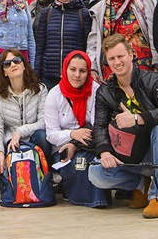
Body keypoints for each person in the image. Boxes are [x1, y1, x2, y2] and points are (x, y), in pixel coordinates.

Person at [88, 34, 158, 219]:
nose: (117, 62)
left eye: (121, 56)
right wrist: (105, 152)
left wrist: (138, 118)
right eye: (112, 58)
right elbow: (99, 126)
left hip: (157, 151)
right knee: (95, 173)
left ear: (132, 54)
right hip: (128, 155)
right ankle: (141, 185)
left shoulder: (153, 80)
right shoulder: (105, 92)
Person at [43, 50, 110, 208]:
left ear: (88, 72)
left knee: (90, 163)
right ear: (65, 70)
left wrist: (75, 143)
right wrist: (72, 134)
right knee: (74, 165)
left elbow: (97, 125)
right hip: (62, 147)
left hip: (88, 143)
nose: (77, 75)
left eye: (82, 71)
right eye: (72, 69)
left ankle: (96, 200)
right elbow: (51, 134)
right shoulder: (54, 95)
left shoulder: (95, 91)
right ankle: (69, 190)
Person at [87, 0, 158, 79]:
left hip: (141, 68)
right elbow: (93, 41)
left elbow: (153, 32)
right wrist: (93, 68)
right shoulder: (99, 8)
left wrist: (157, 63)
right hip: (111, 71)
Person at [0, 49, 49, 183]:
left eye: (16, 61)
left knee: (42, 136)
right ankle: (17, 183)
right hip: (10, 144)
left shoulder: (40, 89)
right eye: (7, 64)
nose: (12, 65)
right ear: (4, 71)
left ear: (23, 65)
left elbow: (44, 122)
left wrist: (20, 131)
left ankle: (43, 179)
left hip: (34, 141)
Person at [33, 0, 91, 89]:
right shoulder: (47, 13)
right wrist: (36, 74)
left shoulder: (82, 13)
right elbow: (40, 47)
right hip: (49, 76)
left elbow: (87, 46)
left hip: (75, 77)